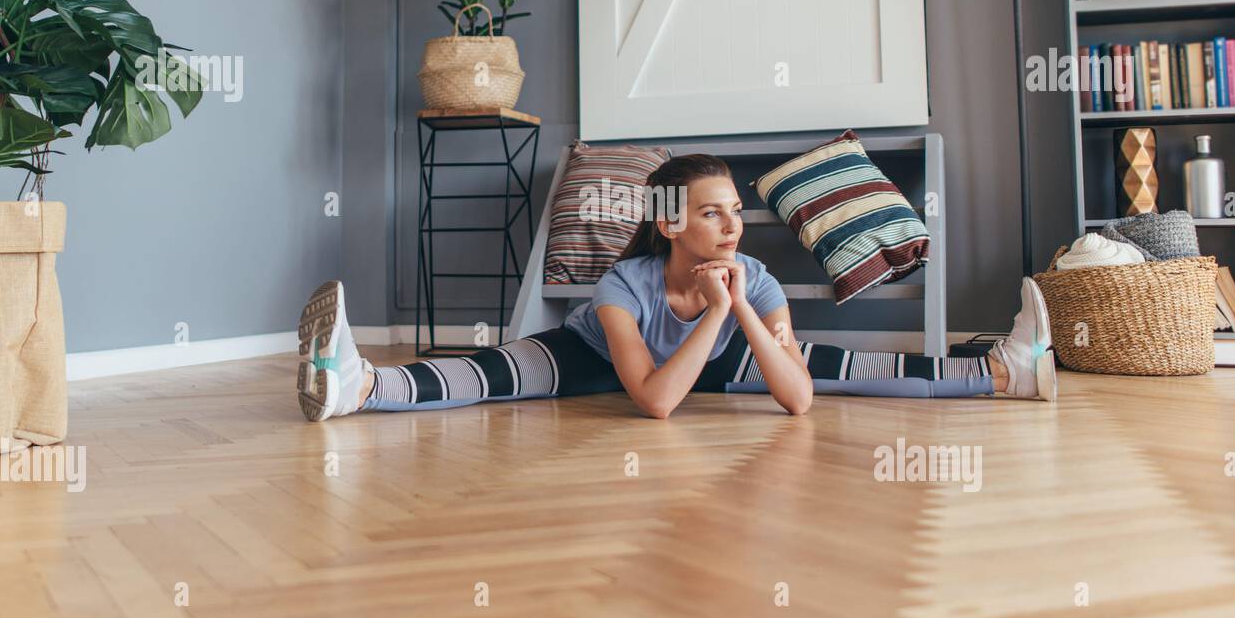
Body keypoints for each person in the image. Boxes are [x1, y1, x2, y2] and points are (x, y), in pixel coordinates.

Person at [295, 154, 1056, 422]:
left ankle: (1006, 372)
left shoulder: (752, 277)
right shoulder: (622, 287)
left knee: (845, 364)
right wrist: (718, 313)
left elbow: (798, 397)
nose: (733, 225)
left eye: (736, 210)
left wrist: (743, 316)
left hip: (715, 356)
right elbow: (654, 402)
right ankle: (357, 386)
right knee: (493, 371)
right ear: (669, 225)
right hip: (599, 359)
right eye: (712, 213)